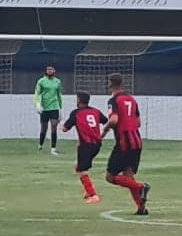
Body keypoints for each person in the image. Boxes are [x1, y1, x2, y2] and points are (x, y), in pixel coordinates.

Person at [105, 73, 150, 214]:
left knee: (110, 177)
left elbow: (113, 120)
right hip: (136, 141)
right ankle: (141, 208)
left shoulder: (113, 101)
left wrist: (103, 132)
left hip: (124, 143)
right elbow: (138, 123)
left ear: (110, 84)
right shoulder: (132, 99)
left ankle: (141, 186)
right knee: (128, 177)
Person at [63, 91, 107, 204]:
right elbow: (106, 121)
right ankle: (87, 191)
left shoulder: (76, 113)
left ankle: (93, 195)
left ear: (78, 100)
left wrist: (62, 125)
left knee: (82, 170)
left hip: (85, 145)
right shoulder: (96, 111)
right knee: (78, 165)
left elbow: (65, 128)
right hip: (97, 144)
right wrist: (101, 134)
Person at [34, 65, 64, 152]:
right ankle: (40, 144)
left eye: (51, 69)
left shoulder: (57, 82)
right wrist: (38, 104)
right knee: (44, 127)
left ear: (54, 71)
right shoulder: (41, 81)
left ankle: (53, 148)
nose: (49, 71)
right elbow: (37, 93)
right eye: (48, 69)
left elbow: (59, 94)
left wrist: (60, 108)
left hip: (54, 107)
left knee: (54, 125)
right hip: (44, 107)